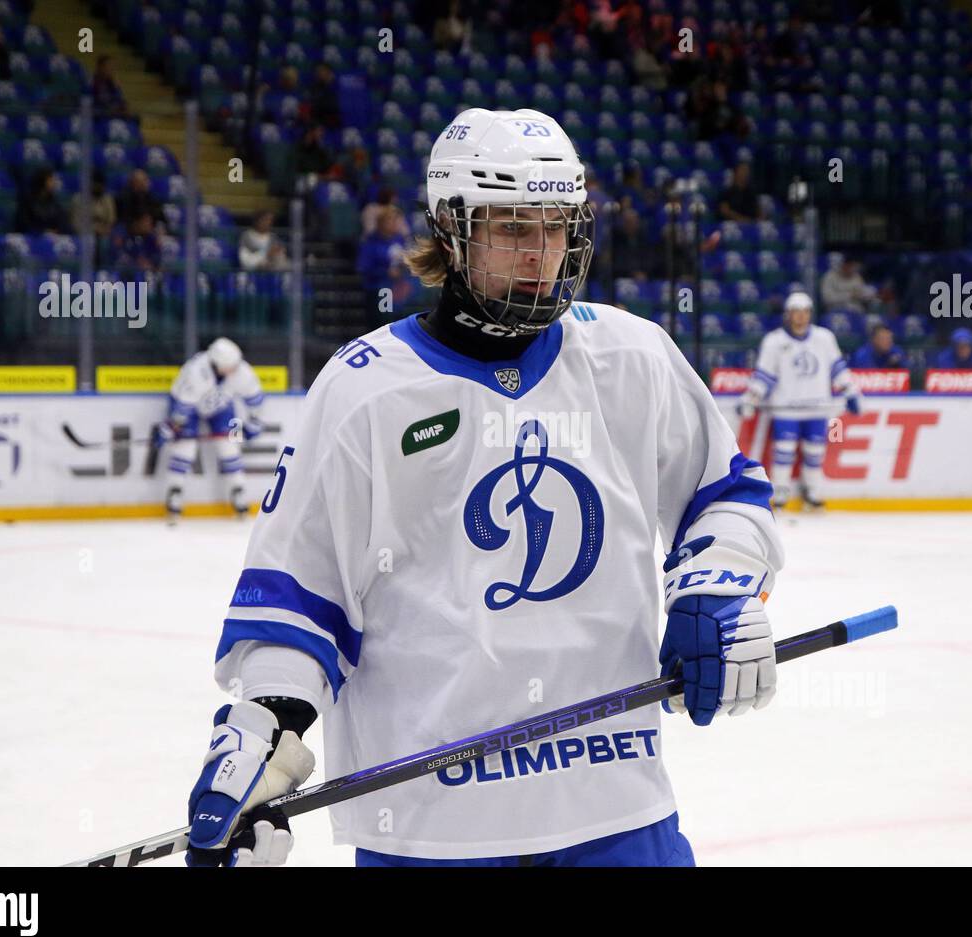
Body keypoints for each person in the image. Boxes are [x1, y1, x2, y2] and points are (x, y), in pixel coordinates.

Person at [186, 107, 786, 868]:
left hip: (619, 808)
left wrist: (718, 584)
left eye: (558, 226)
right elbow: (300, 600)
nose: (541, 254)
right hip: (430, 832)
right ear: (450, 229)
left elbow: (728, 493)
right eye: (512, 228)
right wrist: (264, 736)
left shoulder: (634, 358)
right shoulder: (364, 392)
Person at [737, 291, 862, 509]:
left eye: (805, 312)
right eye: (796, 312)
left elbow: (837, 368)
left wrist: (850, 391)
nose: (801, 316)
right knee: (783, 451)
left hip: (817, 407)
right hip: (786, 408)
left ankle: (812, 491)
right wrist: (751, 398)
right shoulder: (774, 341)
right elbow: (765, 375)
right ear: (788, 314)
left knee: (815, 450)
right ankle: (781, 492)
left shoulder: (824, 338)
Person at [152, 338, 265, 522]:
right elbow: (182, 410)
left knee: (230, 445)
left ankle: (238, 491)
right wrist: (171, 428)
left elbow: (255, 399)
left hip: (221, 405)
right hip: (187, 407)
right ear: (216, 364)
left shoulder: (241, 370)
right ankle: (175, 493)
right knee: (185, 449)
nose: (235, 369)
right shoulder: (196, 372)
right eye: (230, 366)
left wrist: (254, 422)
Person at [16, 168, 69, 234]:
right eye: (51, 180)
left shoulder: (54, 202)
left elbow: (62, 222)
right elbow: (23, 224)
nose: (54, 183)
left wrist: (57, 231)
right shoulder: (27, 201)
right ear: (43, 181)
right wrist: (41, 232)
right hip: (33, 238)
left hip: (53, 238)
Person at [115, 170, 168, 234]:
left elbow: (161, 217)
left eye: (147, 180)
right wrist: (136, 224)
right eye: (144, 181)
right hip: (131, 231)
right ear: (134, 183)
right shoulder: (124, 198)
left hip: (151, 231)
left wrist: (159, 226)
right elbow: (123, 218)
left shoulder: (151, 197)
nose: (148, 183)